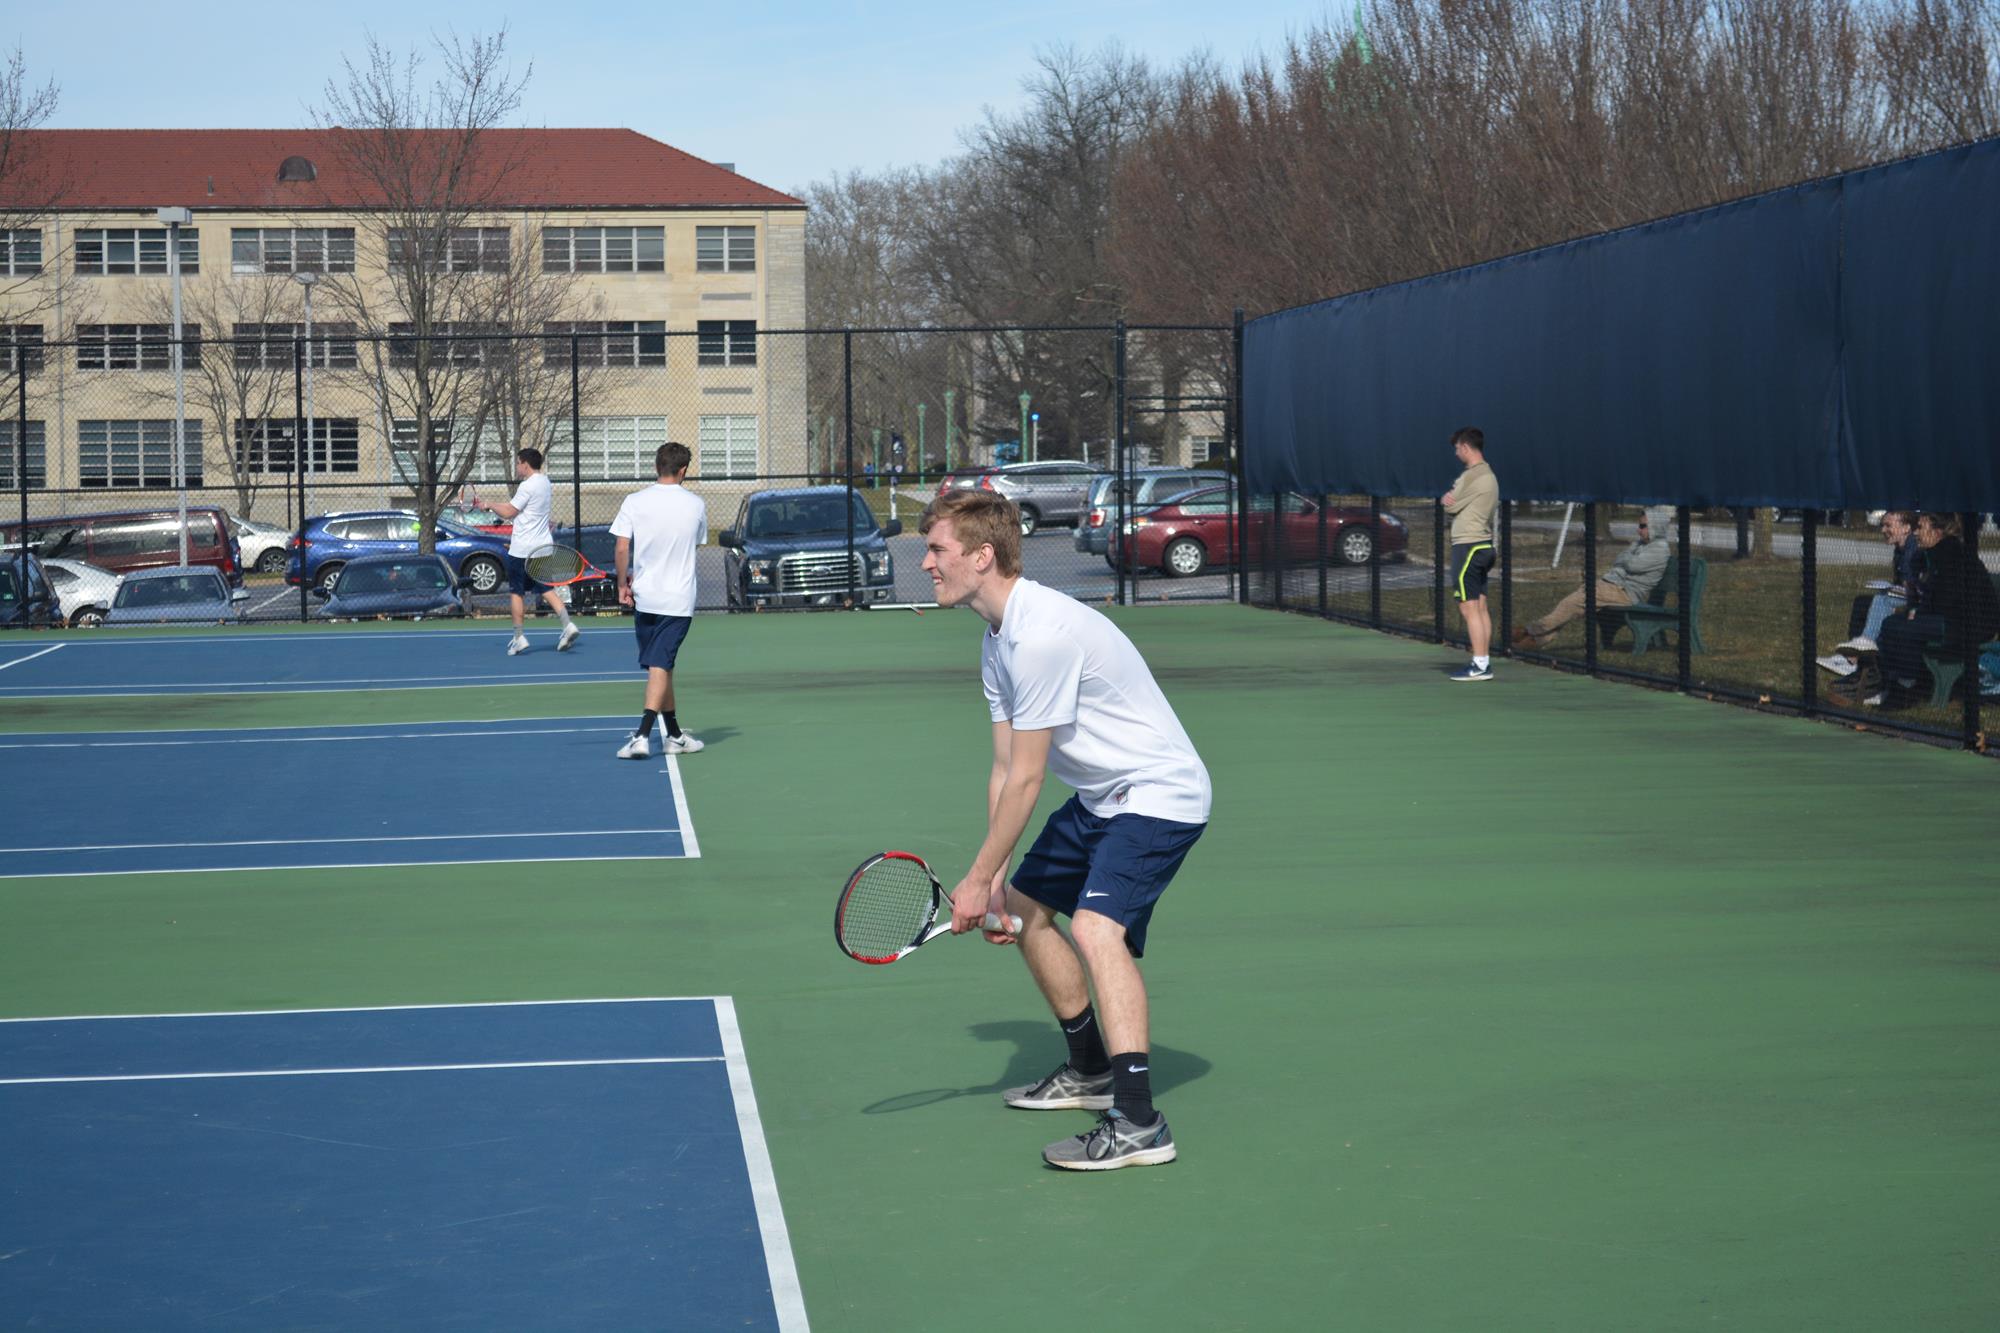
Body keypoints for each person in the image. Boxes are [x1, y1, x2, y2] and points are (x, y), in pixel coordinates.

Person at [923, 487, 1209, 1172]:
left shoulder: (1042, 635)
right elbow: (1002, 768)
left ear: (982, 555)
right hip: (1103, 794)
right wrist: (993, 884)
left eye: (937, 548)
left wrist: (973, 879)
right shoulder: (997, 640)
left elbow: (1028, 778)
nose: (927, 561)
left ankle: (1140, 1120)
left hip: (1158, 792)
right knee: (1025, 911)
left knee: (1094, 928)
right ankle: (1089, 1068)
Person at [611, 442, 707, 758]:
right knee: (661, 667)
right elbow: (695, 543)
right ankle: (661, 737)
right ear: (683, 471)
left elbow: (623, 548)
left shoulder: (634, 501)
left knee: (659, 665)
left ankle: (654, 734)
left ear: (656, 467)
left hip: (646, 598)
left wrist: (622, 583)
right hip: (677, 600)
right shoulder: (696, 505)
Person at [1864, 513, 2000, 709]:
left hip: (1967, 625)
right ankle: (1892, 682)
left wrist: (1917, 613)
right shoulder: (1930, 555)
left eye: (1920, 528)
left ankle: (1907, 689)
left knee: (1900, 628)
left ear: (1937, 532)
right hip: (1948, 618)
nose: (1916, 533)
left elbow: (1947, 600)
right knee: (1893, 624)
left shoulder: (1952, 554)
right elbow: (1928, 596)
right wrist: (1915, 609)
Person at [1513, 507, 1673, 650]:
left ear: (1655, 527)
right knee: (1573, 606)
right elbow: (1620, 558)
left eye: (1643, 526)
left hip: (1625, 593)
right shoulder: (1641, 544)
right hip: (1613, 586)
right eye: (1639, 525)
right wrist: (1626, 560)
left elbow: (1633, 565)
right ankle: (1536, 641)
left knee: (1572, 603)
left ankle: (1528, 631)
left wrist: (1626, 560)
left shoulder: (1659, 548)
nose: (1639, 530)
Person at [489, 448, 578, 656]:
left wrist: (490, 504)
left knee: (516, 592)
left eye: (518, 463)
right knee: (546, 589)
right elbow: (517, 509)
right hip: (542, 547)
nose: (517, 466)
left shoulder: (526, 486)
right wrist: (491, 505)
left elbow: (510, 511)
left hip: (522, 550)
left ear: (526, 464)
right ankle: (567, 625)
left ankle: (519, 638)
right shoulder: (545, 483)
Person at [1816, 511, 1919, 677]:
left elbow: (1912, 588)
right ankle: (1854, 654)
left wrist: (1893, 591)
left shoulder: (1912, 547)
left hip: (1917, 601)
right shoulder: (1899, 549)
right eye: (1882, 525)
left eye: (1888, 526)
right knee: (1861, 602)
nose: (1883, 530)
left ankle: (1858, 651)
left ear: (1906, 527)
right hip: (1904, 596)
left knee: (1881, 599)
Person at [1441, 428, 1500, 681]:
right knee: (1480, 606)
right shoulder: (1489, 475)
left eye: (1457, 448)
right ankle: (1483, 661)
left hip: (1469, 546)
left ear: (1465, 447)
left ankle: (1479, 665)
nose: (1456, 453)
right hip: (1484, 545)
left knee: (1468, 607)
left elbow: (1448, 503)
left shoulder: (1472, 476)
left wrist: (1448, 500)